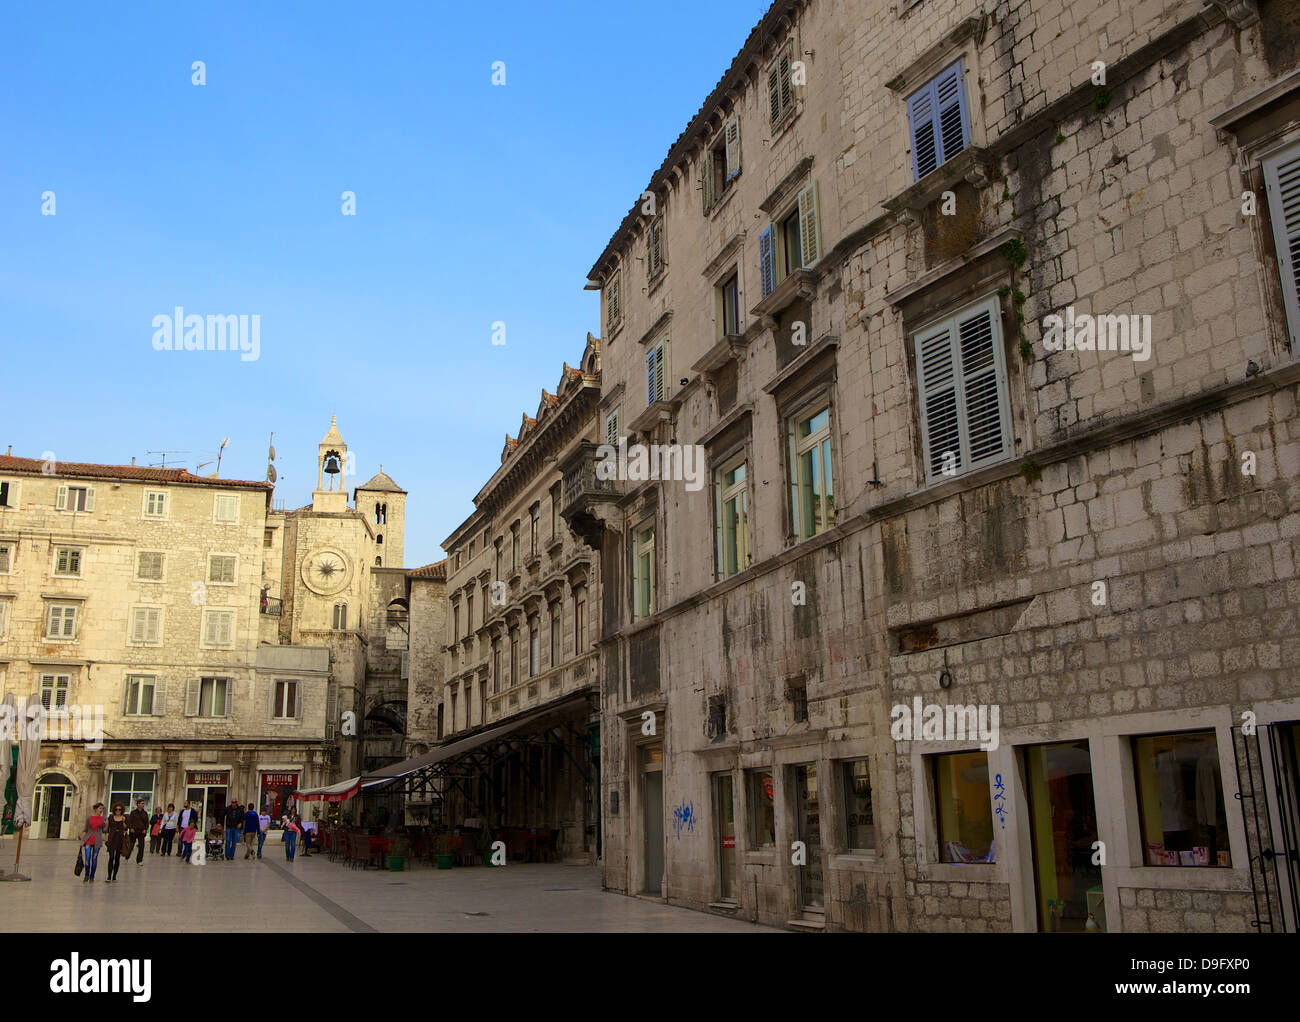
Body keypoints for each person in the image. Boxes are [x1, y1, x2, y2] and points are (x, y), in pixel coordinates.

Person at [81, 803, 106, 882]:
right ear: (95, 809)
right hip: (88, 839)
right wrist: (82, 840)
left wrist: (106, 825)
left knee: (94, 859)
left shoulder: (103, 819)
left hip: (97, 840)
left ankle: (92, 876)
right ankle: (86, 875)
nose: (101, 810)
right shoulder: (89, 818)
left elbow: (104, 830)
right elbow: (85, 829)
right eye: (100, 808)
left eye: (102, 809)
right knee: (87, 858)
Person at [104, 804, 128, 882]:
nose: (118, 811)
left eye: (119, 809)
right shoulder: (111, 817)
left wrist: (123, 821)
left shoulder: (124, 818)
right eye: (116, 809)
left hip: (120, 838)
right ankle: (109, 876)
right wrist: (106, 839)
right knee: (111, 857)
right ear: (114, 810)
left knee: (117, 858)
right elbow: (107, 829)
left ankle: (114, 876)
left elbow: (125, 829)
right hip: (112, 838)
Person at [127, 798, 150, 865]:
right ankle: (127, 855)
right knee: (131, 845)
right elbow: (129, 821)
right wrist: (131, 828)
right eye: (142, 803)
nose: (143, 805)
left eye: (143, 803)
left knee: (141, 846)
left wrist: (145, 829)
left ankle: (139, 860)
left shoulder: (145, 813)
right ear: (138, 804)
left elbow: (147, 822)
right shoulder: (133, 813)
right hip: (133, 831)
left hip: (141, 832)